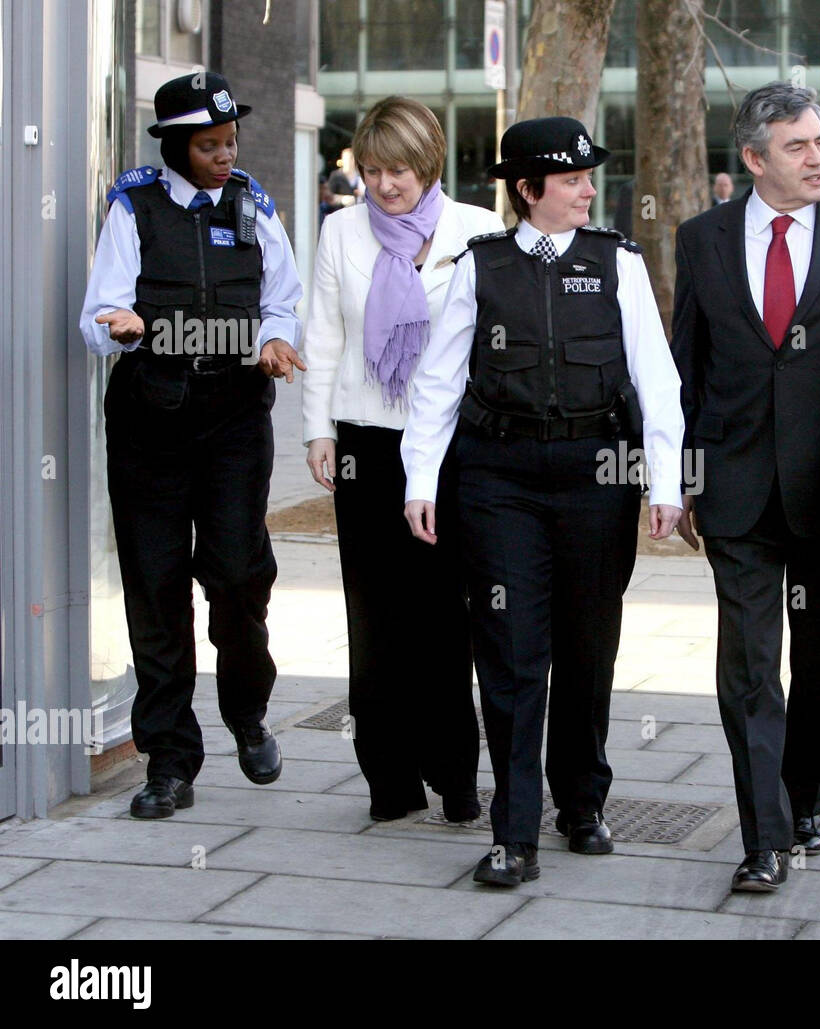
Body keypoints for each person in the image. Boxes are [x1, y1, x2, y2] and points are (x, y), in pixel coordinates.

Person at [401, 117, 685, 886]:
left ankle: (582, 803)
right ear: (528, 190)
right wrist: (421, 478)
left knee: (588, 647)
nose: (589, 190)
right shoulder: (479, 267)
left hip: (597, 475)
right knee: (511, 652)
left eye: (590, 177)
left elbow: (655, 377)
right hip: (501, 480)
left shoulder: (616, 262)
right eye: (572, 180)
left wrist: (665, 482)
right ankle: (514, 831)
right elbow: (438, 379)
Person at [670, 82, 820, 892]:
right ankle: (763, 835)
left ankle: (808, 798)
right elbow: (685, 368)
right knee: (750, 666)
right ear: (755, 156)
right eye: (799, 146)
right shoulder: (700, 240)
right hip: (735, 490)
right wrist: (684, 479)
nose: (819, 159)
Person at [78, 72, 305, 819]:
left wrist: (275, 340)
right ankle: (170, 758)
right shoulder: (134, 206)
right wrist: (118, 324)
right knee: (156, 585)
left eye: (229, 140)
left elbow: (283, 301)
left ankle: (246, 707)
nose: (223, 154)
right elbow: (95, 312)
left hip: (236, 418)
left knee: (239, 572)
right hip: (152, 419)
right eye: (209, 144)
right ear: (176, 145)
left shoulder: (254, 203)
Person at [301, 96, 502, 823]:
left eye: (402, 170)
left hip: (451, 448)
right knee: (376, 616)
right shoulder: (340, 232)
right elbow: (322, 338)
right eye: (375, 170)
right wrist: (318, 431)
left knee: (448, 617)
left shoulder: (477, 230)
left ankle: (454, 772)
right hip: (366, 449)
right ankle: (388, 778)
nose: (387, 185)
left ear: (430, 164)